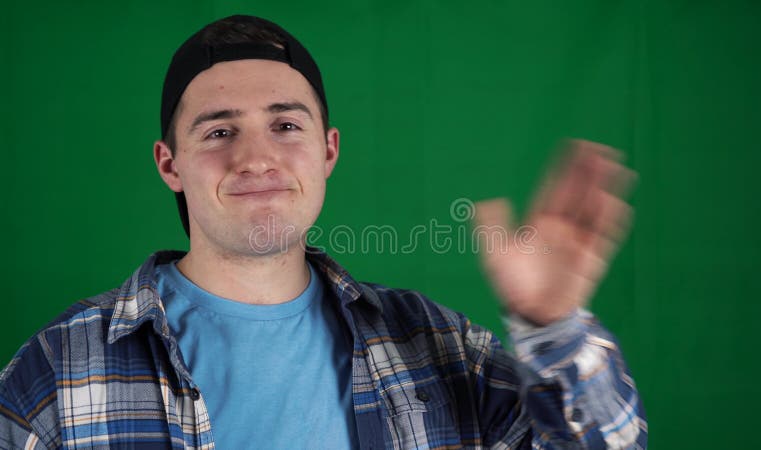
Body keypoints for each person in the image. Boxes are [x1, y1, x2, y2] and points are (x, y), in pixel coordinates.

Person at [0, 14, 647, 450]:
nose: (256, 158)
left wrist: (553, 324)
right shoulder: (57, 371)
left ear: (328, 150)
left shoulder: (440, 348)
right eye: (219, 131)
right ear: (169, 164)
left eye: (286, 126)